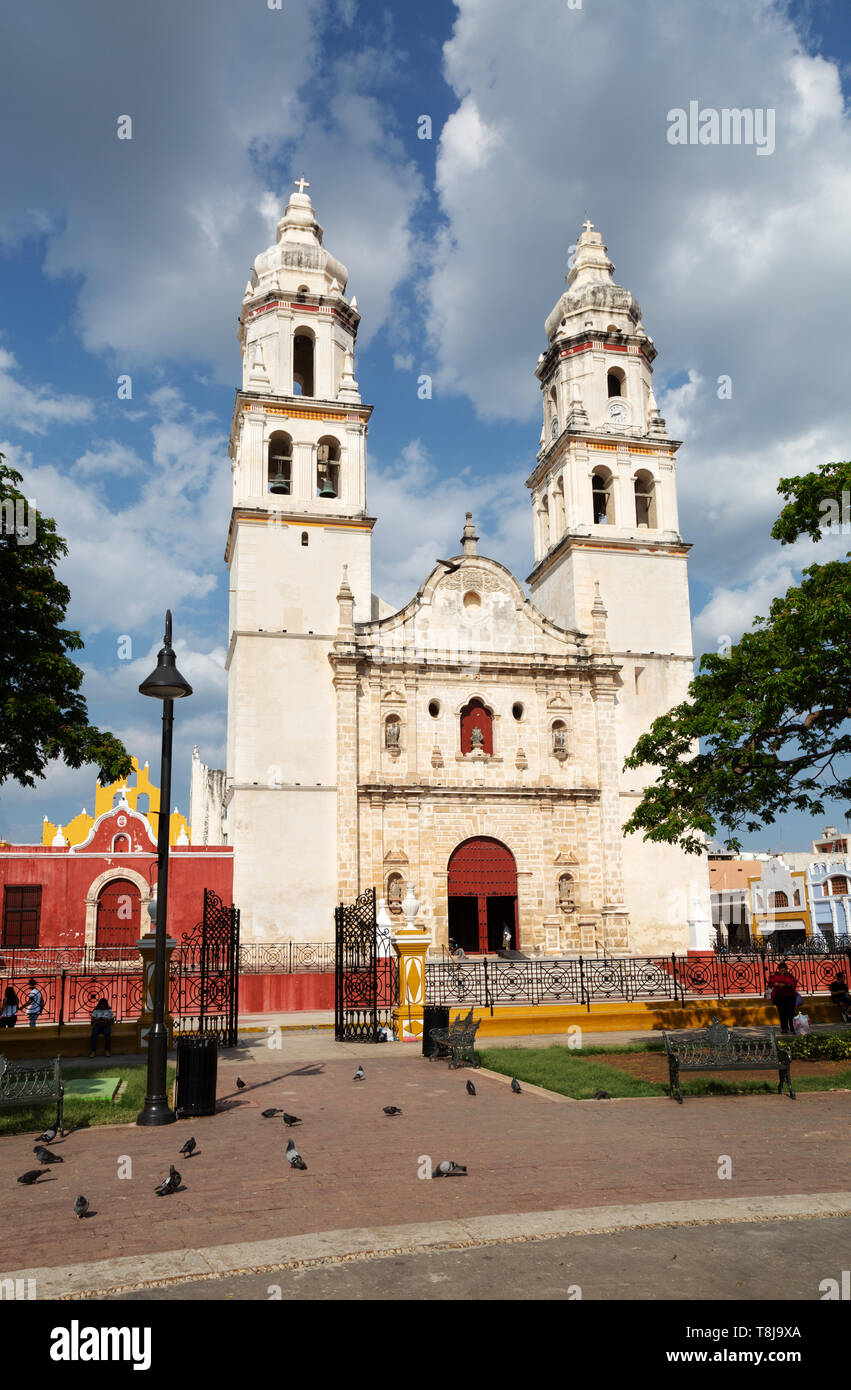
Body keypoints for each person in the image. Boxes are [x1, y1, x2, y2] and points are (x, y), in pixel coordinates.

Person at [766, 960, 798, 1034]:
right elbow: (771, 983)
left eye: (784, 970)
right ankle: (784, 1028)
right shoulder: (775, 976)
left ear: (786, 970)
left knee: (791, 1013)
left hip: (790, 997)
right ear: (779, 970)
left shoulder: (789, 976)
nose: (783, 972)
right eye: (781, 970)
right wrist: (782, 984)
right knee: (782, 1013)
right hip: (779, 997)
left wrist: (783, 985)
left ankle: (793, 1028)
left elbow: (793, 984)